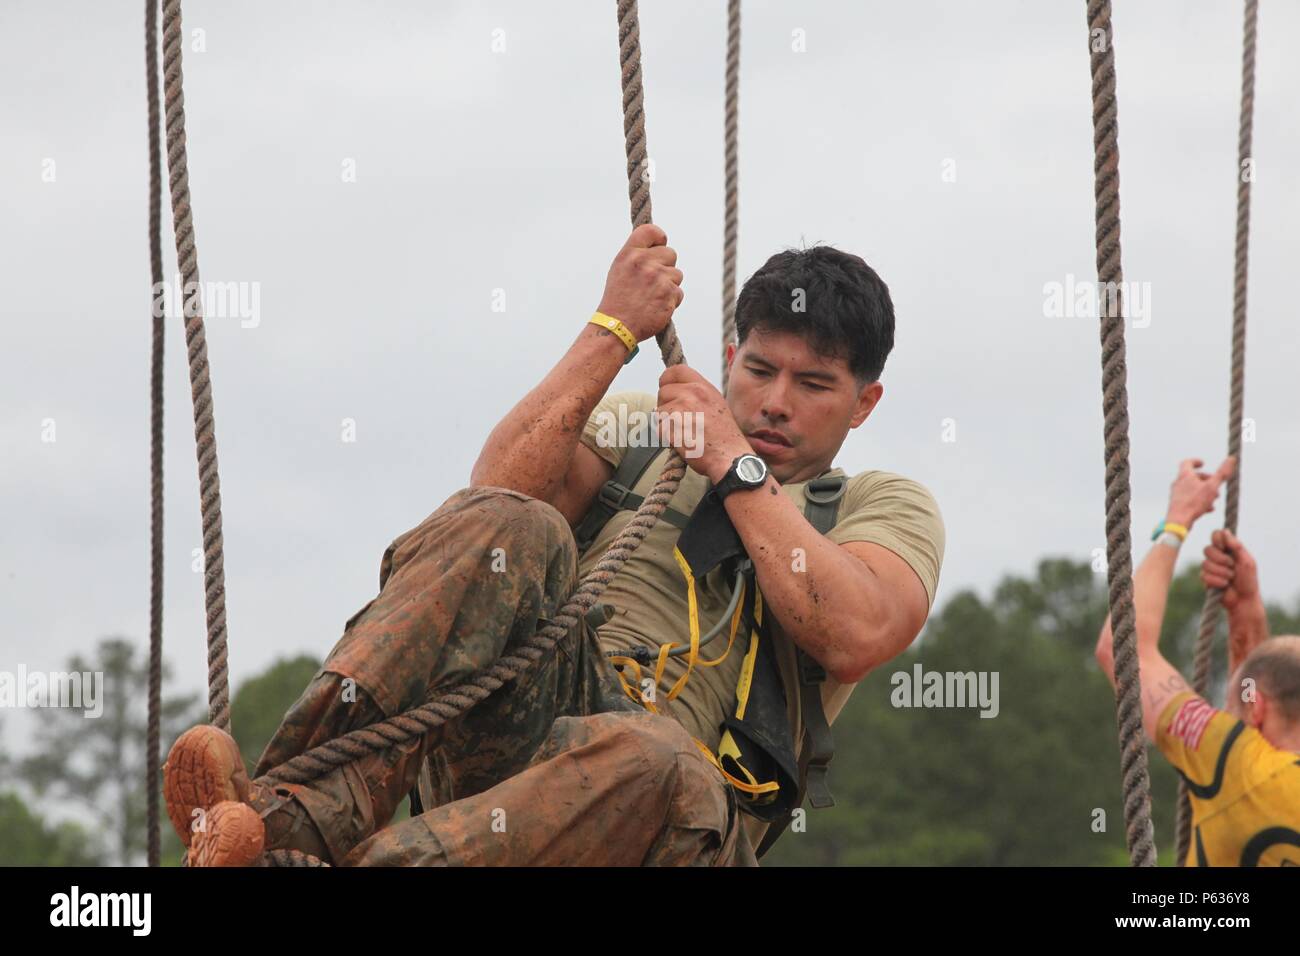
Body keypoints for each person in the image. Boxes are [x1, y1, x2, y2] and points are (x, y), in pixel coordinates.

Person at [164, 224, 945, 866]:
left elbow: (857, 631)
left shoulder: (880, 506)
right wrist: (613, 330)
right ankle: (287, 820)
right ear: (732, 359)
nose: (775, 403)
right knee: (518, 524)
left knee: (654, 756)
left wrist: (732, 465)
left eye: (812, 386)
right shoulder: (648, 432)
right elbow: (491, 497)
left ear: (863, 403)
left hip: (673, 815)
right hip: (529, 744)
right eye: (761, 370)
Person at [1094, 456, 1300, 866]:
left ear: (1257, 707)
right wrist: (1246, 614)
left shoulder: (1240, 769)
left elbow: (1123, 651)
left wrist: (1175, 524)